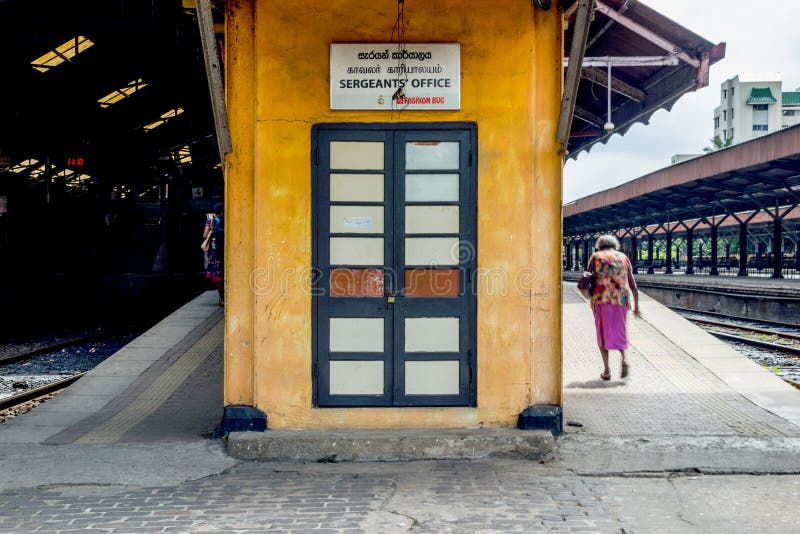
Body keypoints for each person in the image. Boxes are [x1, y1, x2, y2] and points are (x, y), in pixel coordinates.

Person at [586, 234, 640, 381]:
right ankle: (624, 359)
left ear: (599, 244)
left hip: (601, 299)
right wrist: (637, 306)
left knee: (602, 334)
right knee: (619, 331)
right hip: (621, 300)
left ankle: (607, 370)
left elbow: (587, 278)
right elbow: (633, 285)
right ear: (615, 244)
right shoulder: (623, 258)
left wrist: (588, 296)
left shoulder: (596, 257)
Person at [204, 203, 224, 306]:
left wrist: (211, 229)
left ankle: (222, 298)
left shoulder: (210, 220)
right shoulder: (227, 219)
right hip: (225, 249)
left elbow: (205, 235)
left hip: (214, 250)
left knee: (217, 275)